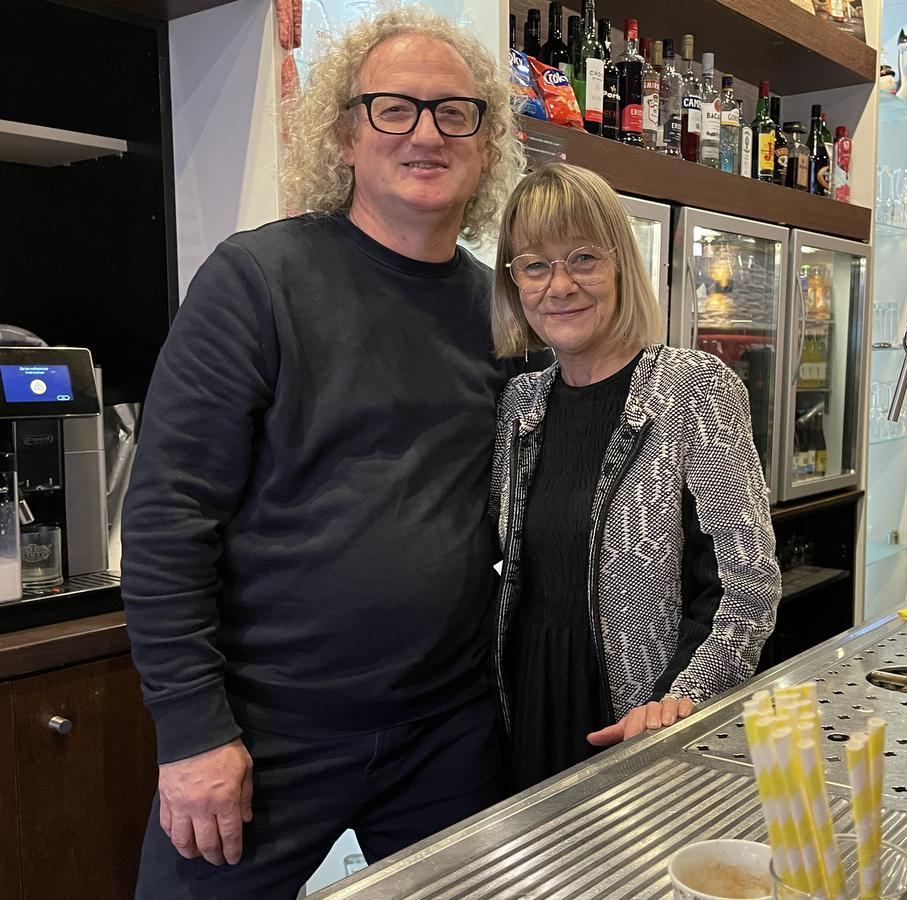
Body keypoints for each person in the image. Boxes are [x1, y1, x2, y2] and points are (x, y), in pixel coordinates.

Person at [121, 7, 524, 897]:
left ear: (488, 145)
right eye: (393, 109)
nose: (426, 132)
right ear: (343, 135)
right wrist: (191, 734)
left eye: (456, 113)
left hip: (446, 731)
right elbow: (165, 518)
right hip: (265, 732)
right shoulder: (257, 281)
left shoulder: (503, 312)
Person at [489, 163, 782, 790]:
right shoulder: (522, 402)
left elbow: (747, 585)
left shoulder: (693, 387)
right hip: (529, 700)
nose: (559, 286)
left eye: (582, 258)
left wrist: (682, 697)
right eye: (534, 266)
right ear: (513, 284)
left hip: (640, 713)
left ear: (621, 264)